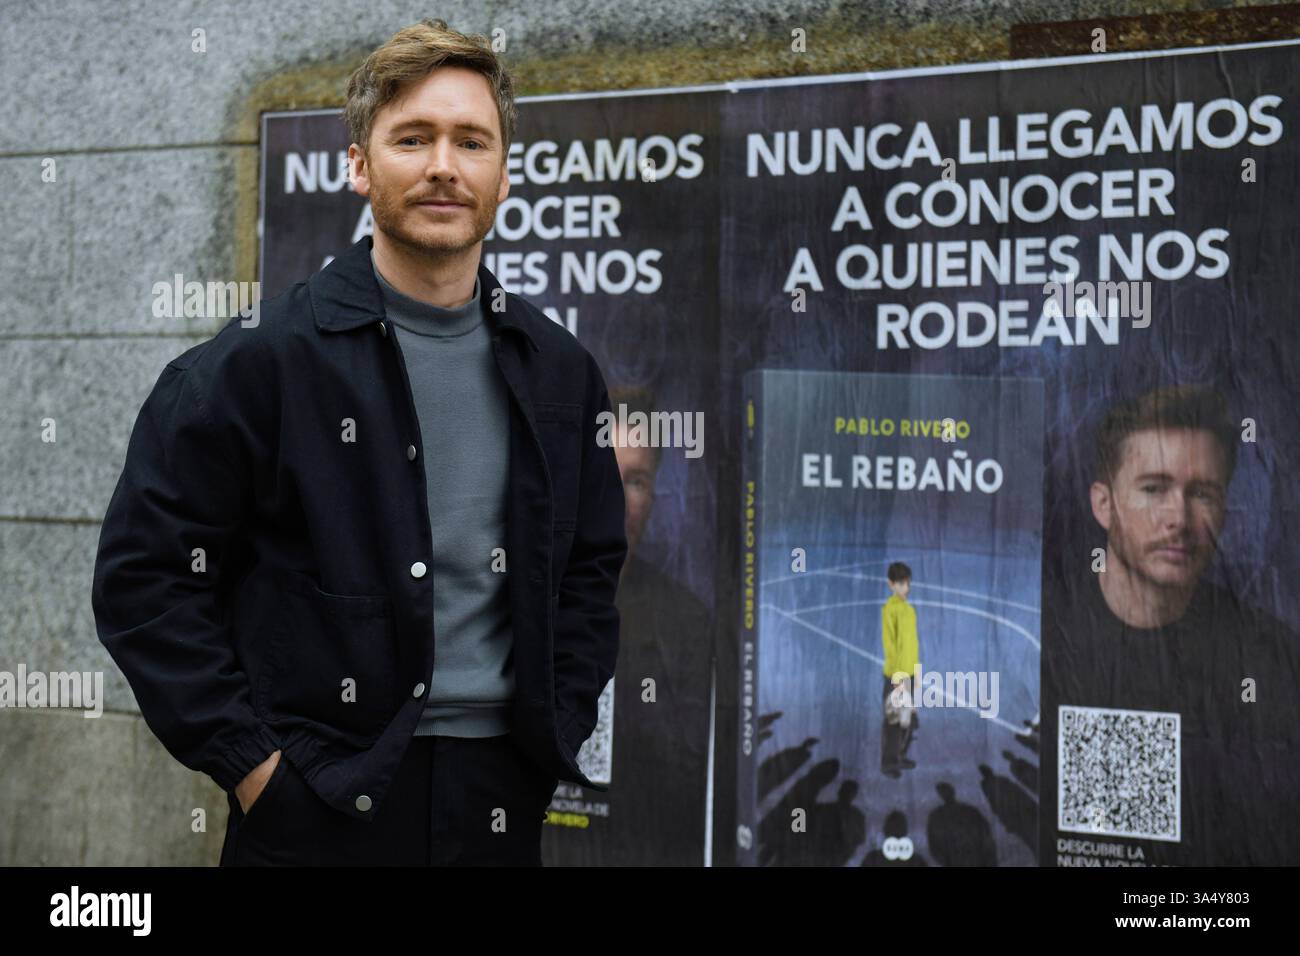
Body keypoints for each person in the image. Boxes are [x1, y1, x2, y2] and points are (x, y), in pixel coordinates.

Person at [90, 18, 627, 866]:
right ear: (359, 164)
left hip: (499, 802)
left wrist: (555, 723)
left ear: (505, 174)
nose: (443, 165)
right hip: (316, 802)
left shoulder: (558, 371)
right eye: (412, 138)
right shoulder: (260, 361)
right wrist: (254, 767)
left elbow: (591, 571)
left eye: (470, 141)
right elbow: (144, 580)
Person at [1040, 384, 1300, 866]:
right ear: (1104, 504)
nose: (1177, 518)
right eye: (1153, 489)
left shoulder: (1274, 657)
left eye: (1201, 493)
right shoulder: (1038, 637)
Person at [880, 562, 919, 778]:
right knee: (894, 722)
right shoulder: (889, 610)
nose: (906, 588)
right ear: (891, 584)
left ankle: (900, 756)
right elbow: (890, 645)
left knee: (908, 721)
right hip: (897, 675)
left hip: (910, 674)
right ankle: (888, 762)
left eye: (908, 583)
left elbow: (913, 644)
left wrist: (915, 674)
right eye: (902, 584)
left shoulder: (909, 610)